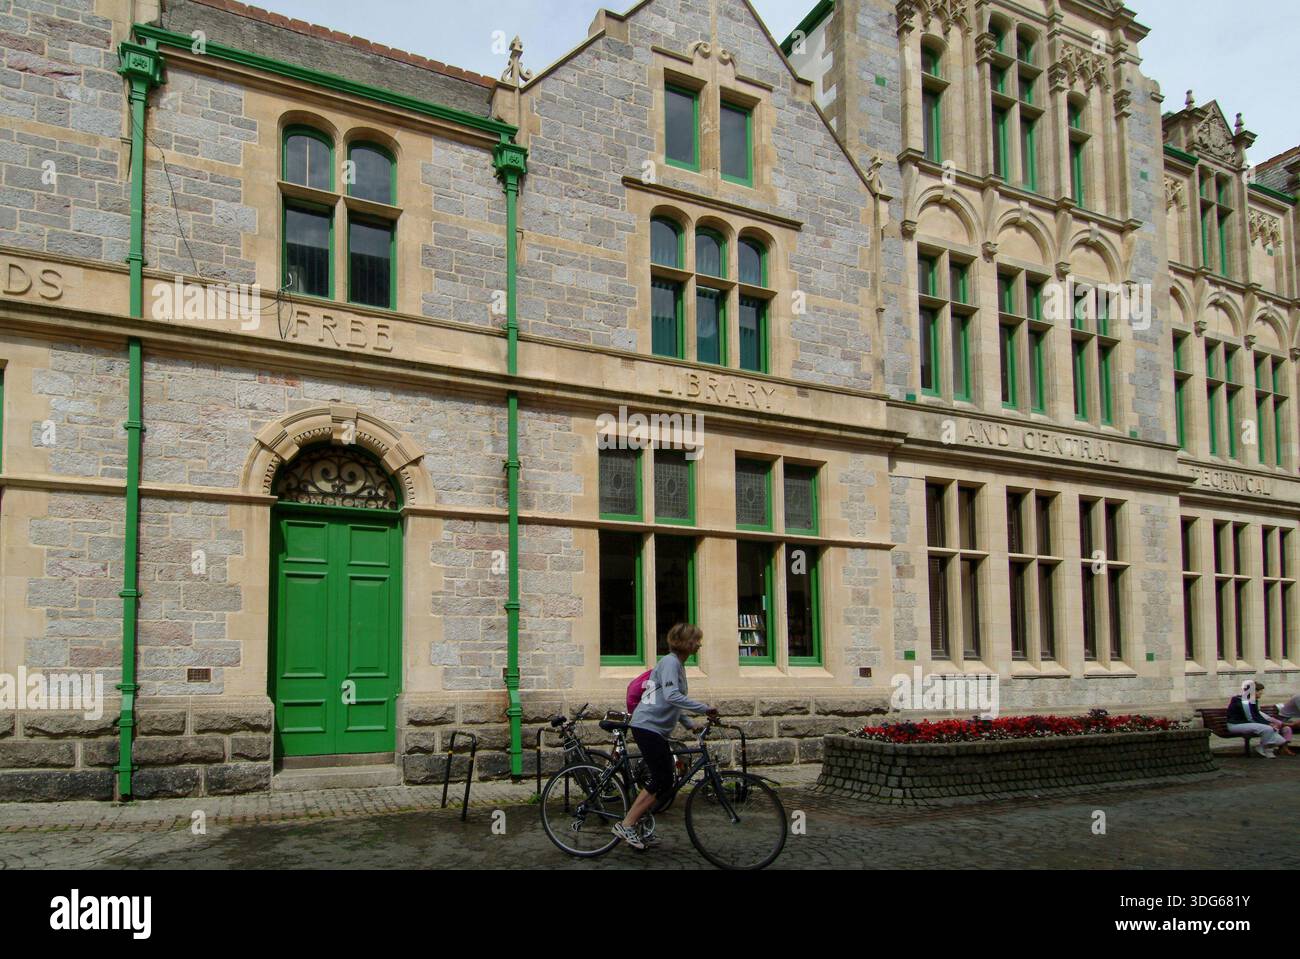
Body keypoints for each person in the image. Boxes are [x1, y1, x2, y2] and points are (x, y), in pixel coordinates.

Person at [613, 622, 718, 850]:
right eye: (695, 640)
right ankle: (628, 824)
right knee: (662, 779)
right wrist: (704, 708)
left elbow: (670, 701)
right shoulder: (671, 662)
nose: (698, 644)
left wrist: (691, 725)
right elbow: (672, 696)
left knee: (665, 781)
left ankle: (639, 824)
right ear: (684, 643)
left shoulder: (677, 664)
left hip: (654, 728)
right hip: (647, 726)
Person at [1227, 680, 1295, 758]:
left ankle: (1262, 747)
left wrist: (1269, 723)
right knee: (1268, 729)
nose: (1261, 694)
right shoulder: (1243, 701)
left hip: (1248, 723)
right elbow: (1250, 718)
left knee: (1281, 741)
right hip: (1236, 724)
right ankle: (1268, 751)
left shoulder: (1252, 700)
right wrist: (1268, 724)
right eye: (1260, 692)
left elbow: (1257, 715)